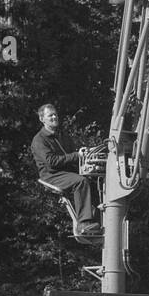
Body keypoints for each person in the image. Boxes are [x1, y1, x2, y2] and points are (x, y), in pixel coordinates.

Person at [31, 103, 101, 240]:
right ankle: (84, 223)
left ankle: (97, 219)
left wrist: (86, 155)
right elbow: (51, 162)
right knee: (80, 182)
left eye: (55, 114)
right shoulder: (39, 140)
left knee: (95, 181)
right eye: (50, 115)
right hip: (51, 175)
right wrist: (76, 155)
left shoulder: (62, 136)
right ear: (42, 119)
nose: (54, 117)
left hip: (65, 172)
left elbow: (71, 154)